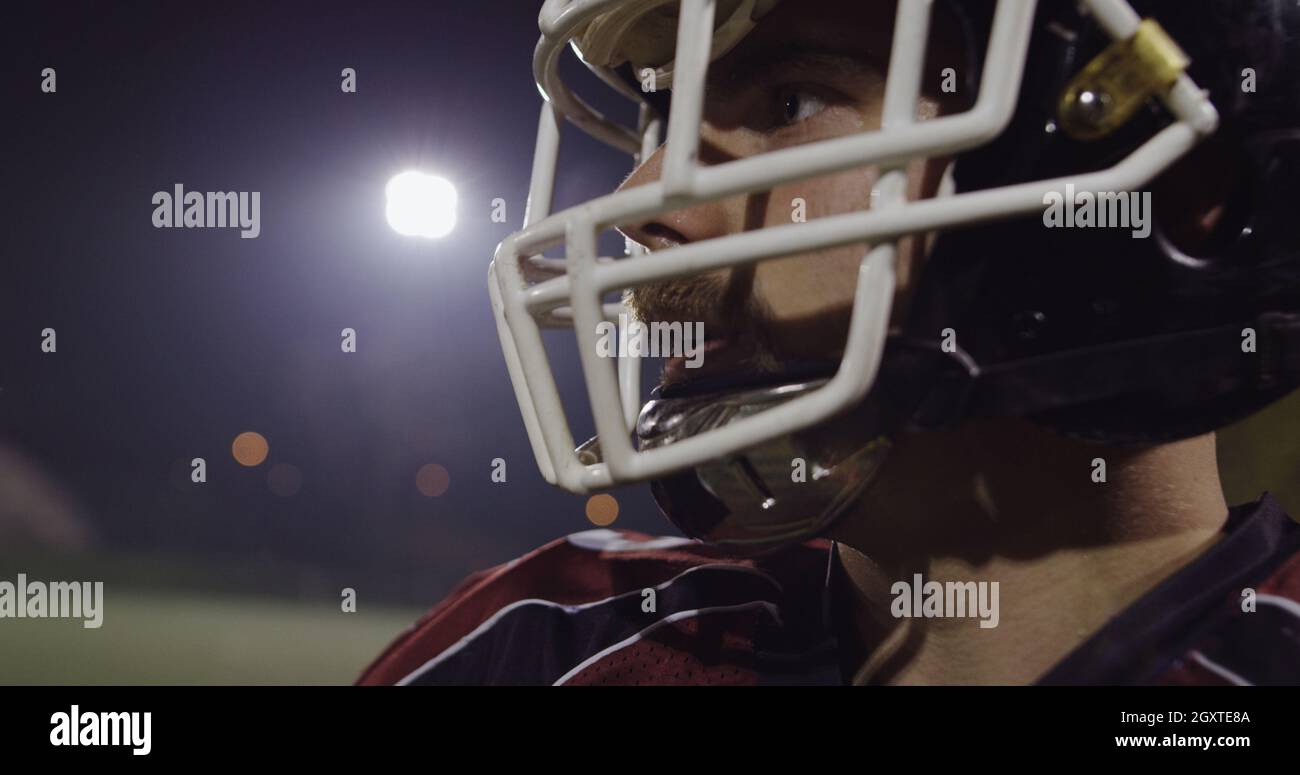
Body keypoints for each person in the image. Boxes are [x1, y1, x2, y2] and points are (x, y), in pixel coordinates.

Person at [360, 0, 1300, 685]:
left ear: (1158, 196)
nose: (641, 209)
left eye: (791, 102)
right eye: (663, 124)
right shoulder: (544, 645)